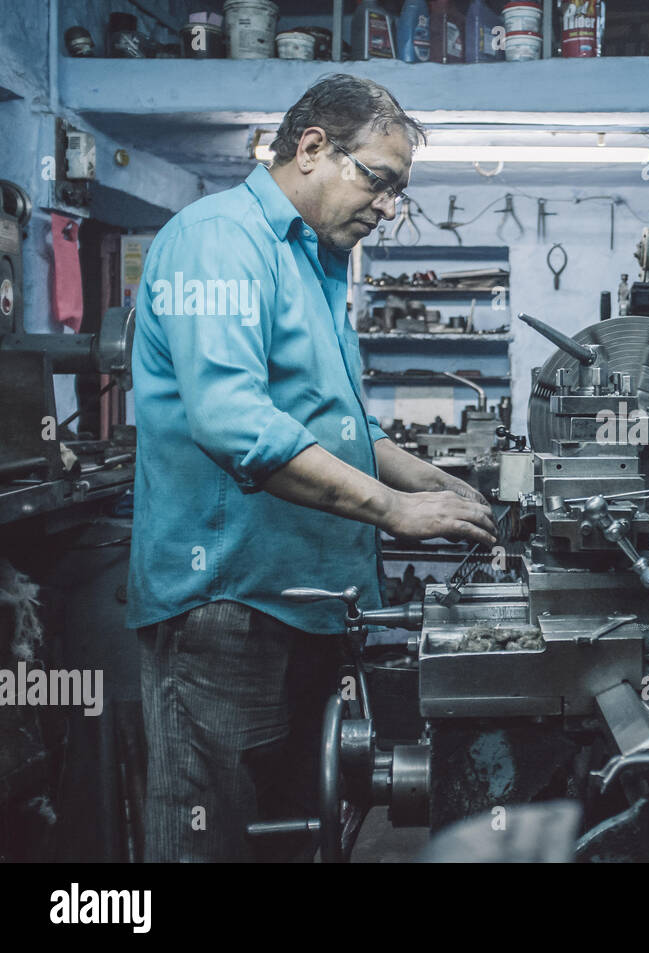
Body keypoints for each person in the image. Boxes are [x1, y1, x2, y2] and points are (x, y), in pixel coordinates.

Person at [127, 74, 496, 861]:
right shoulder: (219, 242)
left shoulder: (319, 263)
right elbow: (236, 424)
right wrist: (394, 512)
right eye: (380, 181)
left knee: (293, 833)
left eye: (399, 191)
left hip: (307, 605)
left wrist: (419, 477)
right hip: (227, 606)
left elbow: (333, 426)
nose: (389, 206)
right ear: (312, 148)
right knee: (212, 838)